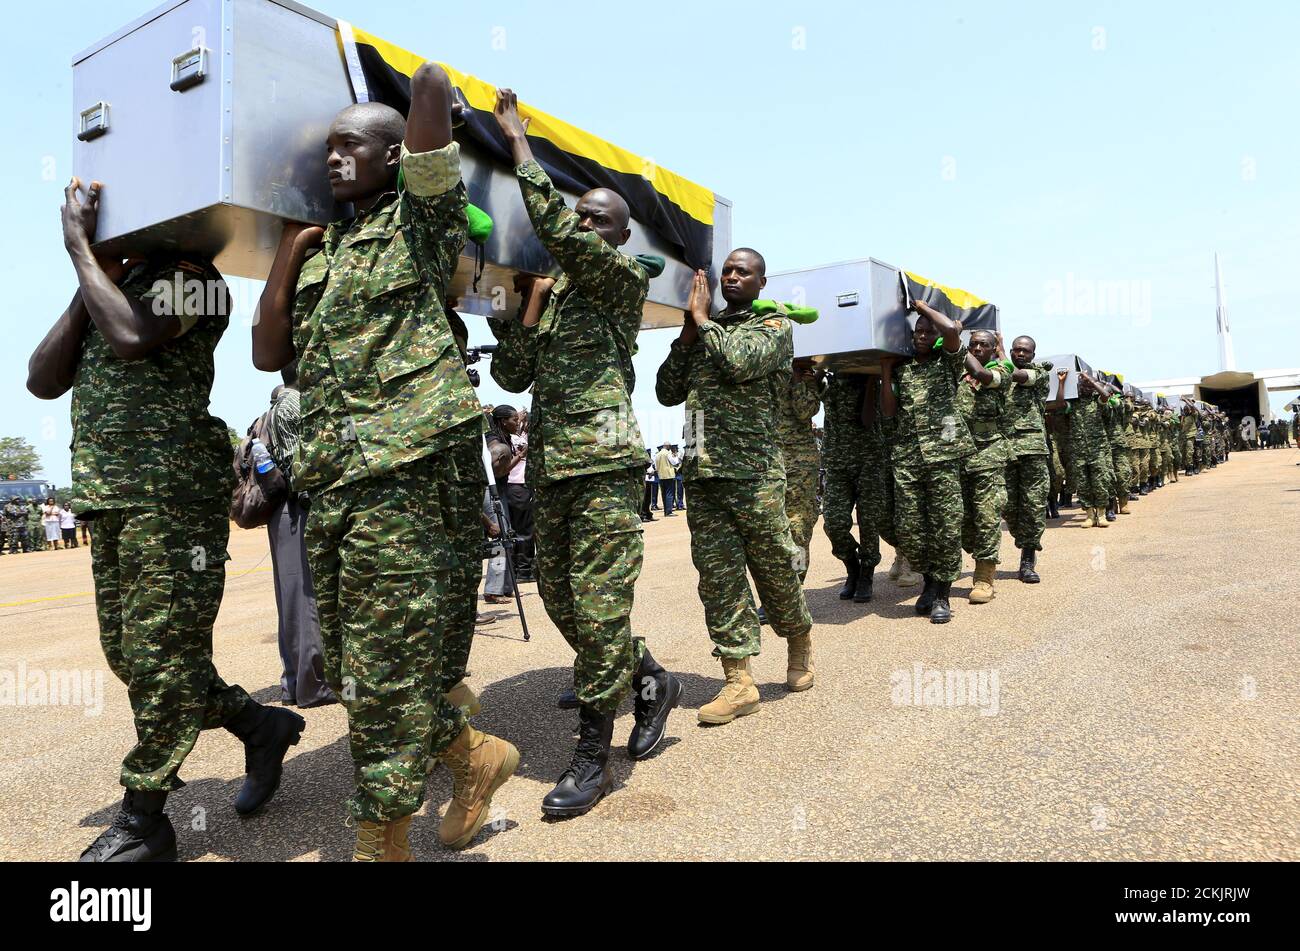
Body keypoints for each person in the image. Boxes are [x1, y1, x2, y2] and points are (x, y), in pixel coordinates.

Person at [253, 63, 518, 857]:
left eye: (350, 146)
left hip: (405, 476)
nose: (333, 159)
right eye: (326, 148)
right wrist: (292, 251)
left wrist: (425, 79)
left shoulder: (422, 221)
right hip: (333, 482)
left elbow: (432, 97)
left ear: (395, 156)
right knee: (357, 668)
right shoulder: (322, 252)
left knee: (386, 667)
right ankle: (475, 757)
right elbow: (271, 352)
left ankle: (380, 839)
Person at [29, 178, 302, 863]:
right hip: (110, 495)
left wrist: (79, 255)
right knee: (135, 655)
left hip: (169, 494)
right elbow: (41, 376)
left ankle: (145, 816)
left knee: (158, 658)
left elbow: (130, 337)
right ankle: (258, 724)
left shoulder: (195, 280)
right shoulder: (105, 287)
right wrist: (89, 276)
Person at [488, 88, 681, 817]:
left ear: (618, 235)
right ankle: (652, 677)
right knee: (566, 601)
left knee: (598, 610)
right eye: (578, 213)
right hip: (554, 466)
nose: (579, 223)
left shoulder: (618, 277)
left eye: (594, 217)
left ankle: (592, 755)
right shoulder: (564, 290)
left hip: (602, 464)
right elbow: (511, 374)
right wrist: (532, 301)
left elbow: (559, 234)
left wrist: (518, 146)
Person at [657, 252, 815, 723]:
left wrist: (703, 321)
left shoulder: (774, 326)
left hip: (756, 475)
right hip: (704, 475)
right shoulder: (706, 330)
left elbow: (740, 363)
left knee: (774, 569)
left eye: (742, 271)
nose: (730, 276)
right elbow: (667, 390)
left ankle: (799, 636)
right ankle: (738, 679)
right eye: (726, 270)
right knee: (719, 578)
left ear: (761, 281)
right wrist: (687, 334)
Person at [879, 299, 975, 625]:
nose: (921, 335)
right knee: (911, 530)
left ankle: (942, 594)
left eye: (926, 331)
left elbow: (950, 329)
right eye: (917, 330)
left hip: (943, 458)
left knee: (946, 529)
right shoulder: (904, 370)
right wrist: (886, 370)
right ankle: (930, 580)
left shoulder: (947, 362)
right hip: (908, 459)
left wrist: (921, 307)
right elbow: (889, 412)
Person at [261, 366, 335, 709]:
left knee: (291, 601)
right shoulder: (294, 403)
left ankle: (295, 682)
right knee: (306, 600)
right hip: (298, 508)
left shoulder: (280, 403)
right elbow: (299, 469)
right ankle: (314, 686)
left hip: (285, 513)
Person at [955, 330, 1012, 604]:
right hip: (957, 455)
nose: (977, 348)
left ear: (993, 349)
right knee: (962, 520)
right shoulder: (955, 371)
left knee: (987, 516)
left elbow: (983, 376)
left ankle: (984, 578)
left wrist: (957, 344)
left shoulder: (1001, 371)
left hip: (988, 453)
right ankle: (977, 558)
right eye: (972, 344)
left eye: (983, 345)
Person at [820, 372, 881, 603]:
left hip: (868, 459)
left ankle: (866, 575)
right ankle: (852, 566)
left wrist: (870, 381)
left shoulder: (868, 377)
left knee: (868, 522)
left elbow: (867, 420)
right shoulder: (828, 381)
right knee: (833, 522)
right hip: (836, 462)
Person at [1001, 338, 1058, 583]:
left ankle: (1027, 559)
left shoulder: (1039, 374)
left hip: (1032, 450)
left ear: (1033, 354)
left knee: (1033, 506)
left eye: (1025, 350)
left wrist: (1000, 352)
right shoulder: (999, 373)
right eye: (1016, 350)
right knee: (1009, 507)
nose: (1020, 353)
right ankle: (1022, 539)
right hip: (1004, 449)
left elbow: (1017, 375)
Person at [775, 364, 824, 587]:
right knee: (769, 530)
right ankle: (778, 591)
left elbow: (805, 410)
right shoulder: (763, 371)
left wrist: (796, 378)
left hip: (799, 464)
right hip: (768, 461)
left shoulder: (806, 378)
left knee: (798, 530)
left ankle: (794, 586)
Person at [1069, 374, 1117, 527]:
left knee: (1100, 482)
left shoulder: (1098, 401)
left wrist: (1090, 380)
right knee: (1083, 484)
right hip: (1078, 449)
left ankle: (1101, 514)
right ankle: (1089, 515)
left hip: (1098, 449)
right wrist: (1064, 383)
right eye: (1083, 386)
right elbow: (1057, 403)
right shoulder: (1073, 403)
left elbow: (1105, 395)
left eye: (1089, 386)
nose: (1086, 388)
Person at [655, 444, 677, 515]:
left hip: (661, 476)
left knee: (663, 493)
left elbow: (656, 466)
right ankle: (669, 511)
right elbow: (674, 462)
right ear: (668, 447)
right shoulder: (668, 453)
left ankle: (665, 511)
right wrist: (675, 457)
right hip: (669, 475)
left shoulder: (657, 454)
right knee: (669, 493)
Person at [641, 449, 658, 522]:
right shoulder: (642, 461)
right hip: (644, 480)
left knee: (648, 498)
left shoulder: (650, 462)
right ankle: (643, 515)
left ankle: (648, 514)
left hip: (649, 480)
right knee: (644, 499)